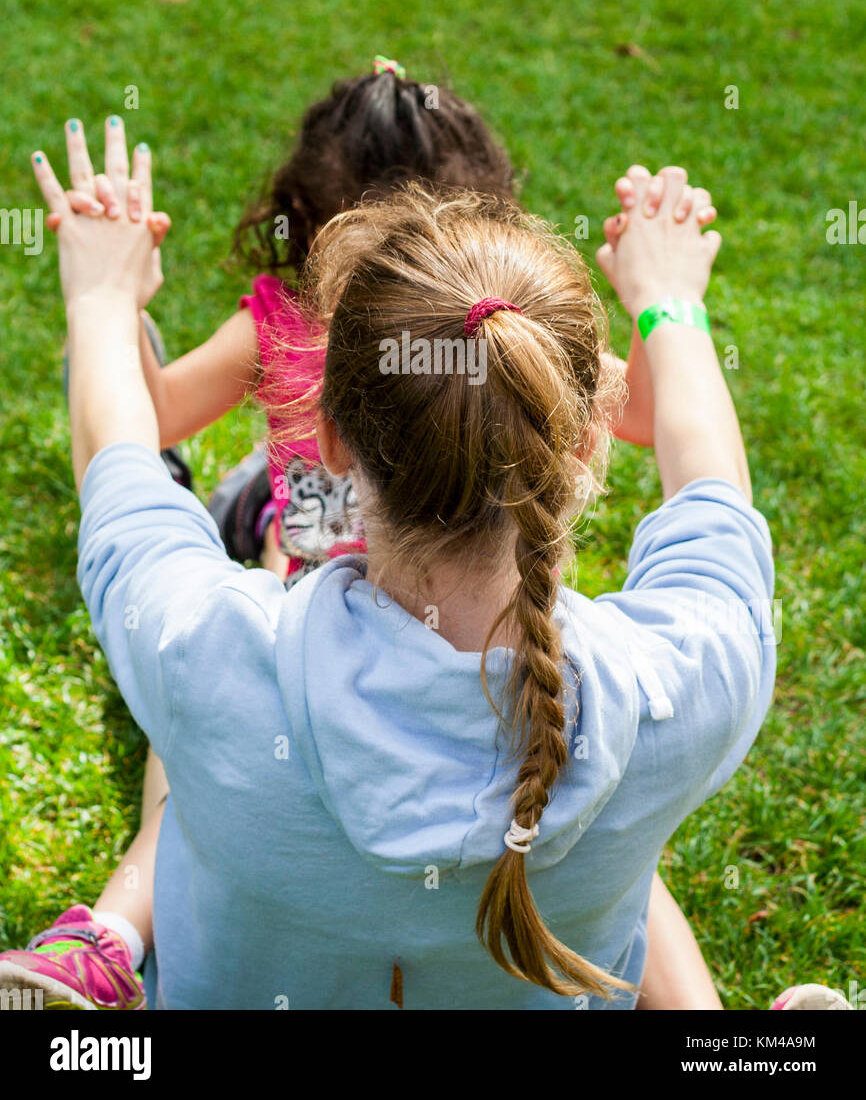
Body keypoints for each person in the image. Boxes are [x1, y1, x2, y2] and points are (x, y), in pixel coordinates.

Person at [8, 132, 783, 1010]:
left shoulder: (204, 651)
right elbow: (712, 491)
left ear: (327, 440)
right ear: (587, 439)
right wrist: (669, 303)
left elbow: (118, 469)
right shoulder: (682, 688)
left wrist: (105, 296)